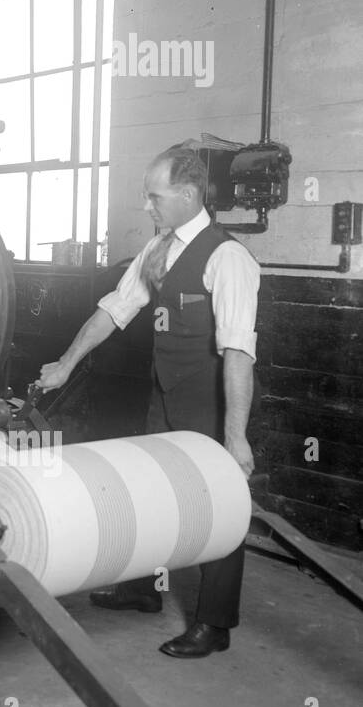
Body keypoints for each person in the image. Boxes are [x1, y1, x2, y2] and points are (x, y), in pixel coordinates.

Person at [36, 145, 259, 658]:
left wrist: (235, 434)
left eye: (154, 196)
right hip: (165, 393)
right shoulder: (158, 248)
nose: (146, 206)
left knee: (219, 506)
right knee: (156, 492)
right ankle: (144, 590)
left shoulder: (229, 258)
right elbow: (114, 310)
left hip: (214, 401)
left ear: (186, 194)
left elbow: (238, 351)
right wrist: (67, 364)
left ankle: (215, 623)